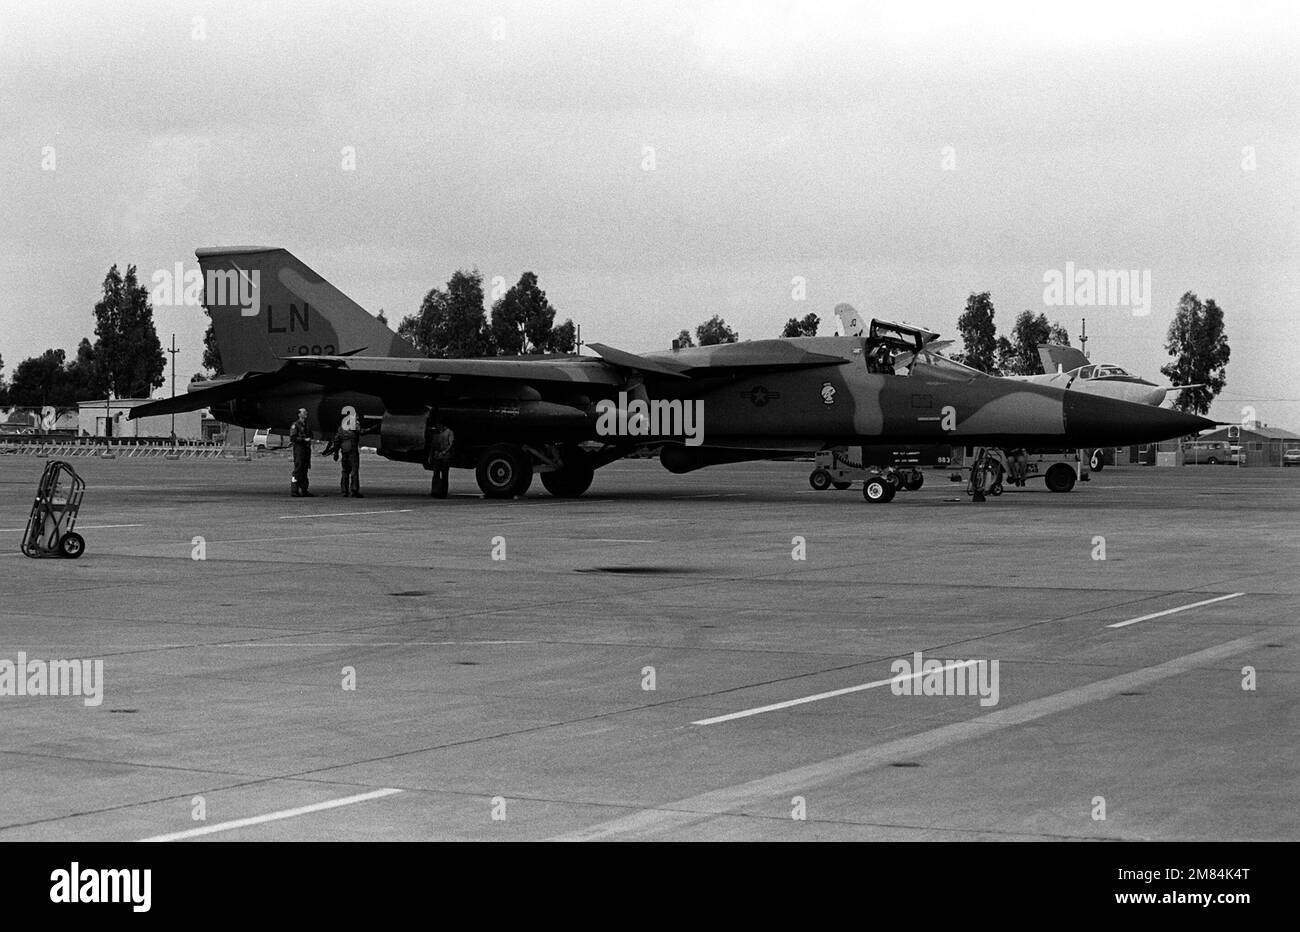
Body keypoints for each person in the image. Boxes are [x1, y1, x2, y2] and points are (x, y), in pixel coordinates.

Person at [325, 406, 363, 498]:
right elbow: (361, 432)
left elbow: (337, 440)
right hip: (352, 450)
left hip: (344, 450)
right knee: (354, 470)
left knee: (345, 471)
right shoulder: (354, 425)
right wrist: (373, 428)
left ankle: (344, 491)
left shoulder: (342, 427)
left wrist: (336, 453)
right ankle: (354, 490)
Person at [289, 407, 315, 497]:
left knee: (305, 469)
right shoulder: (295, 425)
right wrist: (303, 439)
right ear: (299, 414)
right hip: (299, 449)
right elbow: (293, 438)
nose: (306, 414)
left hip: (306, 449)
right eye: (304, 412)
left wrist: (310, 438)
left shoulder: (307, 424)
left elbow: (310, 434)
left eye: (306, 412)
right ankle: (294, 490)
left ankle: (304, 490)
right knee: (298, 469)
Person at [428, 422, 454, 498]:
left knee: (444, 475)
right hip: (437, 455)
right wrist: (431, 456)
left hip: (445, 456)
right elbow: (433, 445)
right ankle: (435, 491)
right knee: (436, 474)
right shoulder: (437, 433)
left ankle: (443, 492)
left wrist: (444, 452)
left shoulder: (449, 432)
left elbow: (451, 444)